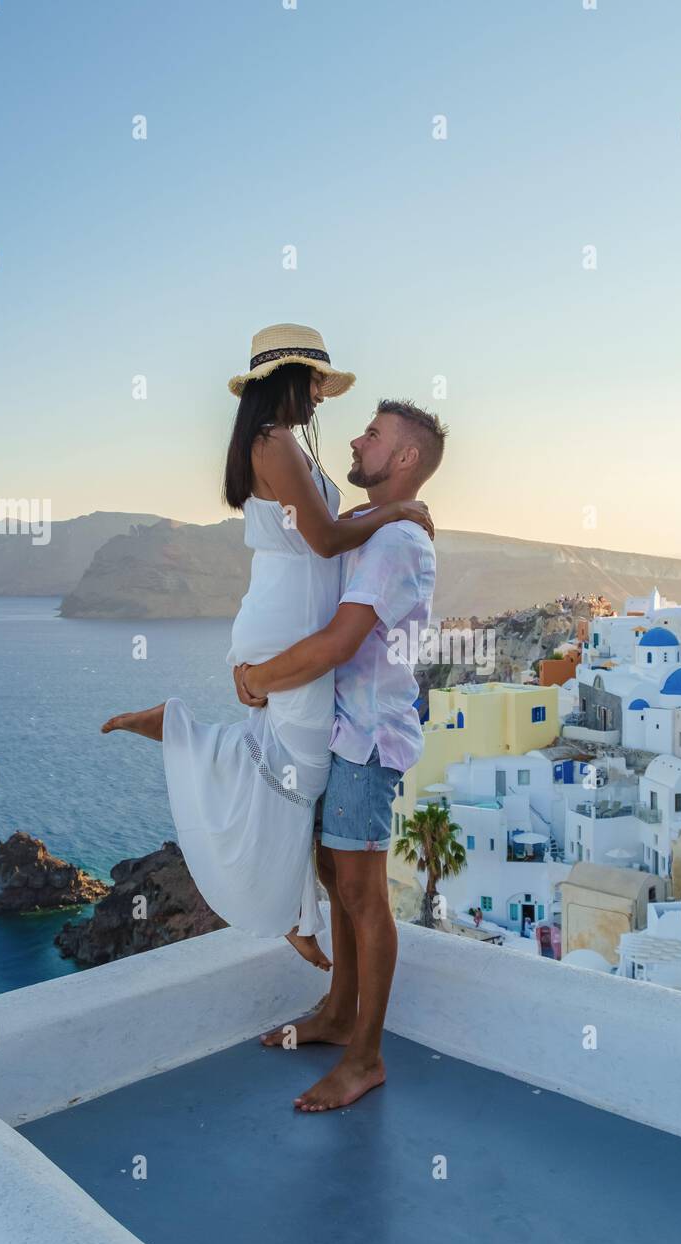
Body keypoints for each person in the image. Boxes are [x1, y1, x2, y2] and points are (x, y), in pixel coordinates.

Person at [100, 324, 432, 970]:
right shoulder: (273, 443)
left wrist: (390, 515)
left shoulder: (280, 444)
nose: (320, 397)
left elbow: (330, 530)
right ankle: (289, 908)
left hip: (286, 619)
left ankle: (295, 907)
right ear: (288, 379)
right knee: (301, 771)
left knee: (287, 767)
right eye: (314, 383)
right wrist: (397, 512)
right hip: (284, 626)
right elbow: (329, 541)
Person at [237, 400, 445, 1112]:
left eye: (375, 435)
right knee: (335, 878)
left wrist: (259, 679)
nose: (357, 439)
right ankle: (335, 1014)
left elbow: (337, 644)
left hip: (366, 739)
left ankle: (366, 1058)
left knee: (363, 897)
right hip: (339, 731)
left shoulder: (396, 548)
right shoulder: (375, 532)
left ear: (406, 459)